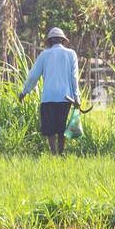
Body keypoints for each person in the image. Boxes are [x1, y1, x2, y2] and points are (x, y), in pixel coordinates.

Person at [18, 27, 79, 155]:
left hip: (48, 97)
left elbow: (33, 75)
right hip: (65, 97)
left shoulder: (44, 55)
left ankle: (53, 153)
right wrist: (77, 97)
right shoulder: (71, 54)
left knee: (50, 128)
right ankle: (61, 153)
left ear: (50, 41)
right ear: (63, 40)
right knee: (61, 127)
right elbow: (74, 77)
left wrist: (25, 91)